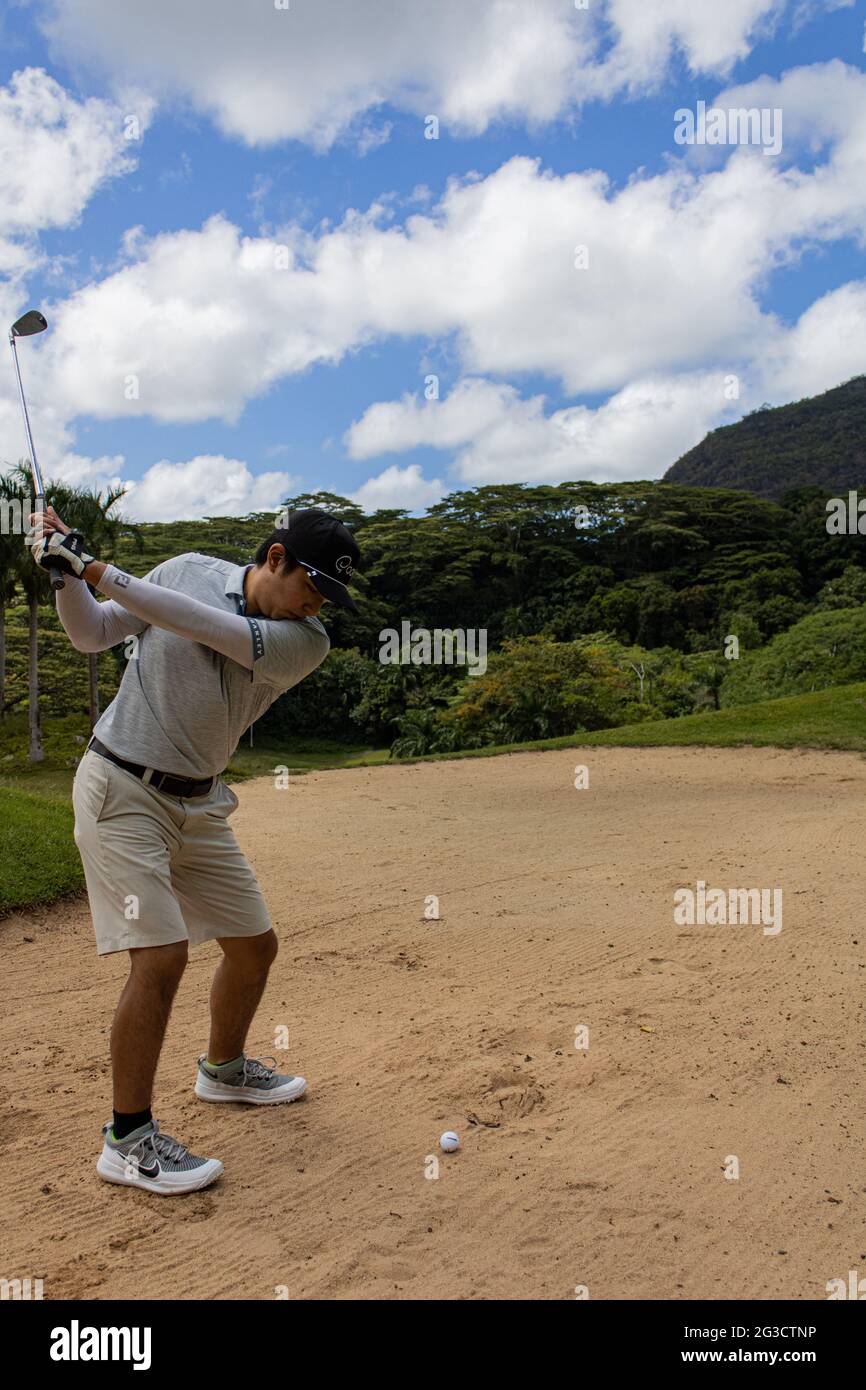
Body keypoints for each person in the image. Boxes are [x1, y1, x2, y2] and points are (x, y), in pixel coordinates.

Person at [28, 505, 361, 1195]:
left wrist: (92, 566)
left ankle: (223, 1068)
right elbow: (93, 633)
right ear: (275, 558)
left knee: (254, 945)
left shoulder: (307, 641)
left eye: (328, 595)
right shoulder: (185, 572)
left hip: (200, 803)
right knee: (162, 956)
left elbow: (201, 626)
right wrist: (64, 575)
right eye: (312, 584)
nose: (316, 602)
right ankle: (128, 1139)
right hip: (121, 786)